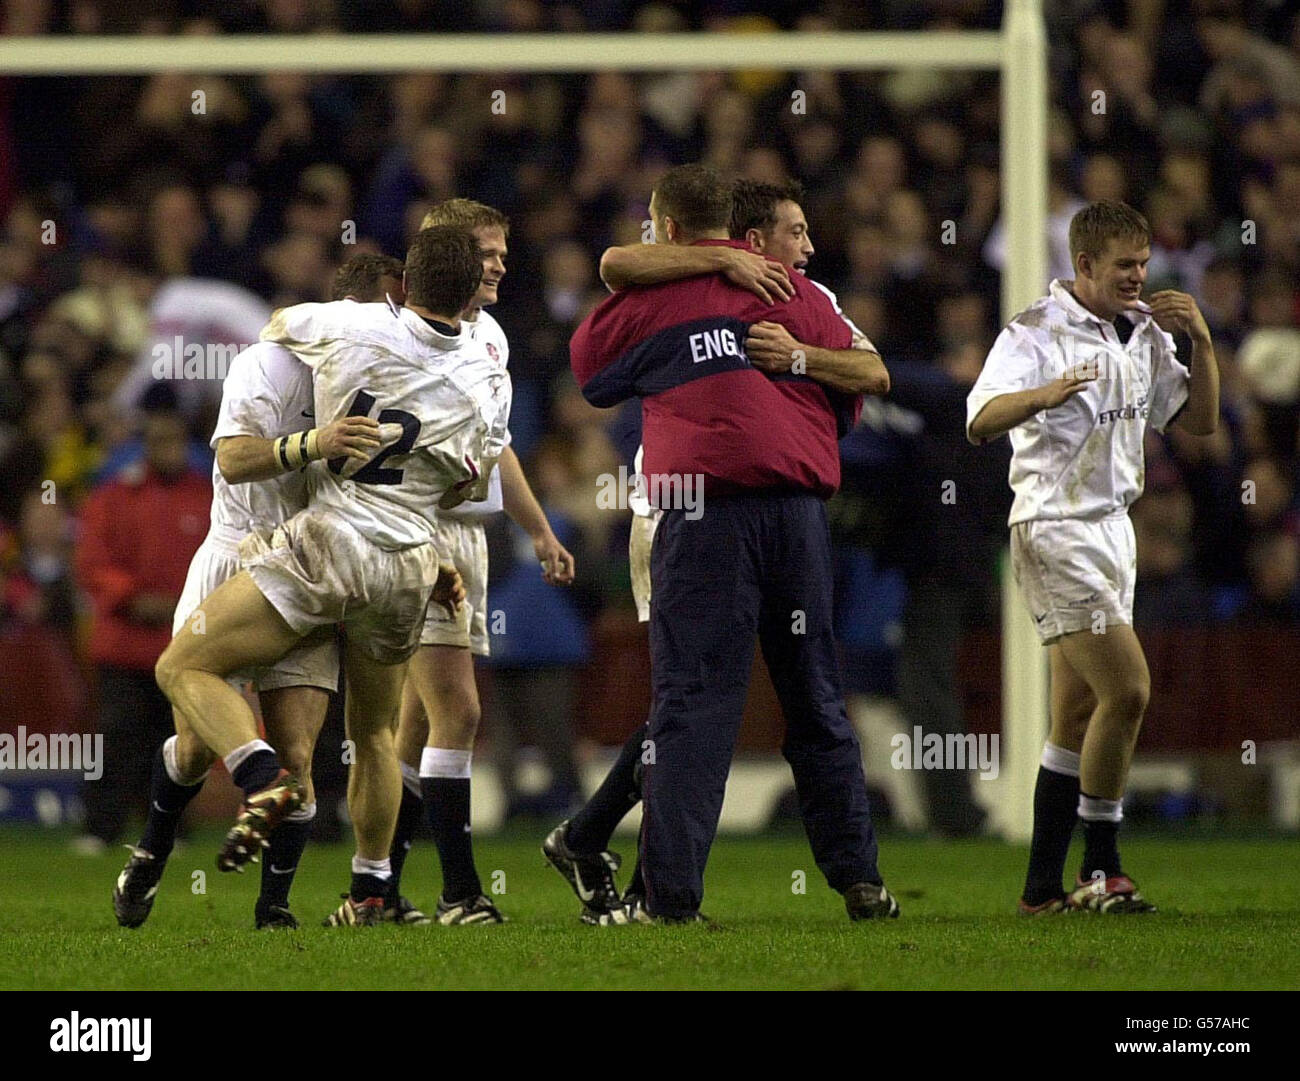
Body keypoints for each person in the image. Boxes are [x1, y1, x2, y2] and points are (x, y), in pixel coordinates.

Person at [545, 178, 887, 921]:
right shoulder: (800, 295)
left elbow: (591, 370)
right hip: (790, 514)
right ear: (741, 234)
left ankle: (661, 892)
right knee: (811, 699)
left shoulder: (687, 298)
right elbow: (868, 382)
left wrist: (794, 358)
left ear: (664, 226)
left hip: (703, 519)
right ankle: (861, 880)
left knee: (695, 705)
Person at [150, 226, 502, 928]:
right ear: (470, 297)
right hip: (407, 563)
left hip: (330, 543)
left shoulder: (353, 324)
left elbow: (281, 323)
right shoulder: (485, 375)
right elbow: (470, 482)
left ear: (407, 285)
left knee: (182, 664)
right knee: (374, 733)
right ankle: (372, 887)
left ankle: (262, 776)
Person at [111, 254, 405, 931]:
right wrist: (314, 442)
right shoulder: (268, 362)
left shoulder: (388, 375)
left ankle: (273, 909)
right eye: (387, 313)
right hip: (236, 558)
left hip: (312, 566)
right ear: (350, 310)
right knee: (192, 746)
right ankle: (153, 850)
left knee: (298, 753)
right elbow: (234, 458)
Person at [966, 200, 1219, 914]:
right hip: (1054, 527)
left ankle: (1042, 887)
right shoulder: (1035, 331)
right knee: (1129, 690)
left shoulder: (1142, 333)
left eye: (1143, 263)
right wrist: (1039, 394)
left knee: (1076, 717)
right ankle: (1102, 864)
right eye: (1124, 266)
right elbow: (979, 420)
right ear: (1083, 265)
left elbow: (1196, 421)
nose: (1139, 277)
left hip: (1114, 531)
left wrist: (1200, 340)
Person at [381, 199, 576, 927]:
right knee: (459, 709)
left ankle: (374, 888)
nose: (499, 263)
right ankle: (460, 892)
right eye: (485, 252)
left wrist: (539, 530)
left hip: (469, 537)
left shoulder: (487, 336)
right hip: (416, 534)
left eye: (501, 251)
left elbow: (495, 447)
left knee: (411, 728)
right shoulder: (390, 337)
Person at [76, 391, 210, 851]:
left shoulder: (207, 496)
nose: (167, 448)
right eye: (158, 440)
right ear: (145, 444)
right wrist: (133, 599)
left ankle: (173, 827)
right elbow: (92, 560)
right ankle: (102, 826)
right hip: (125, 642)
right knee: (117, 737)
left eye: (174, 440)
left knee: (179, 740)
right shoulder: (114, 497)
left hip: (184, 644)